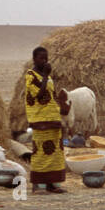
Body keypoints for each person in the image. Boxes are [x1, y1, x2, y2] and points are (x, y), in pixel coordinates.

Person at [23, 47, 69, 193]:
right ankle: (38, 184)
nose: (44, 61)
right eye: (41, 58)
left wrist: (62, 107)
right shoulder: (31, 75)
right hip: (39, 118)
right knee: (41, 150)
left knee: (55, 150)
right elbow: (38, 94)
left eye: (46, 58)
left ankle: (52, 182)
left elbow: (51, 96)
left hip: (53, 118)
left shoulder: (47, 77)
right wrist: (44, 75)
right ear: (34, 59)